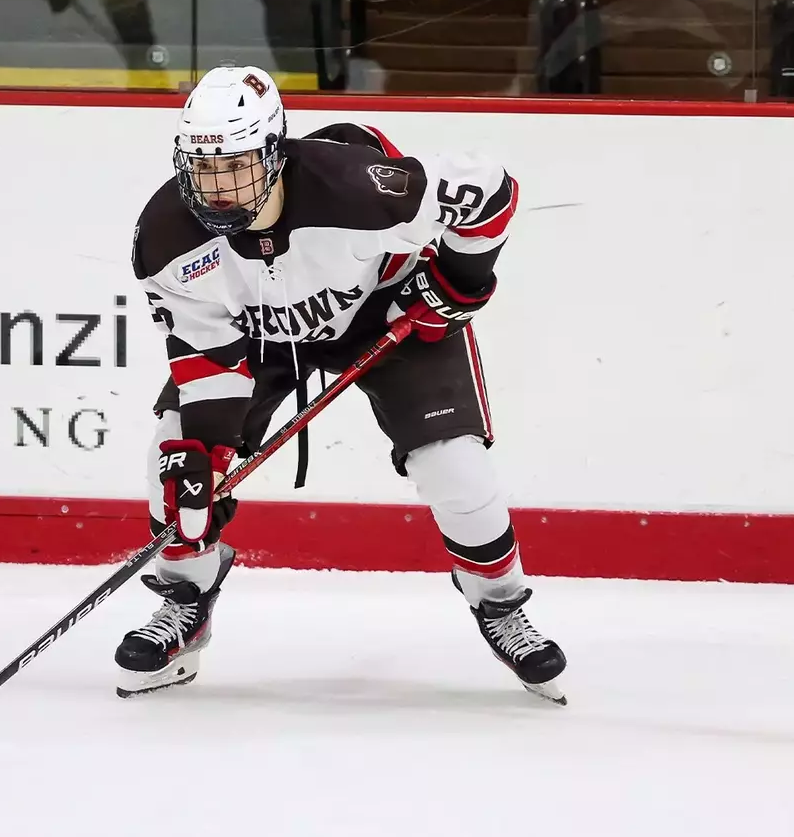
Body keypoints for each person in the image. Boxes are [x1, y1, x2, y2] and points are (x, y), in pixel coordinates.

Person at [118, 65, 569, 704]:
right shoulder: (165, 235)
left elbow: (489, 193)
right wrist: (201, 456)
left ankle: (498, 606)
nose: (217, 189)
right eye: (203, 168)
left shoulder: (359, 190)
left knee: (458, 470)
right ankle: (188, 598)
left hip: (390, 316)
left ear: (274, 153)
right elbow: (206, 353)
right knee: (173, 464)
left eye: (236, 166)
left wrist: (457, 285)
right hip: (261, 340)